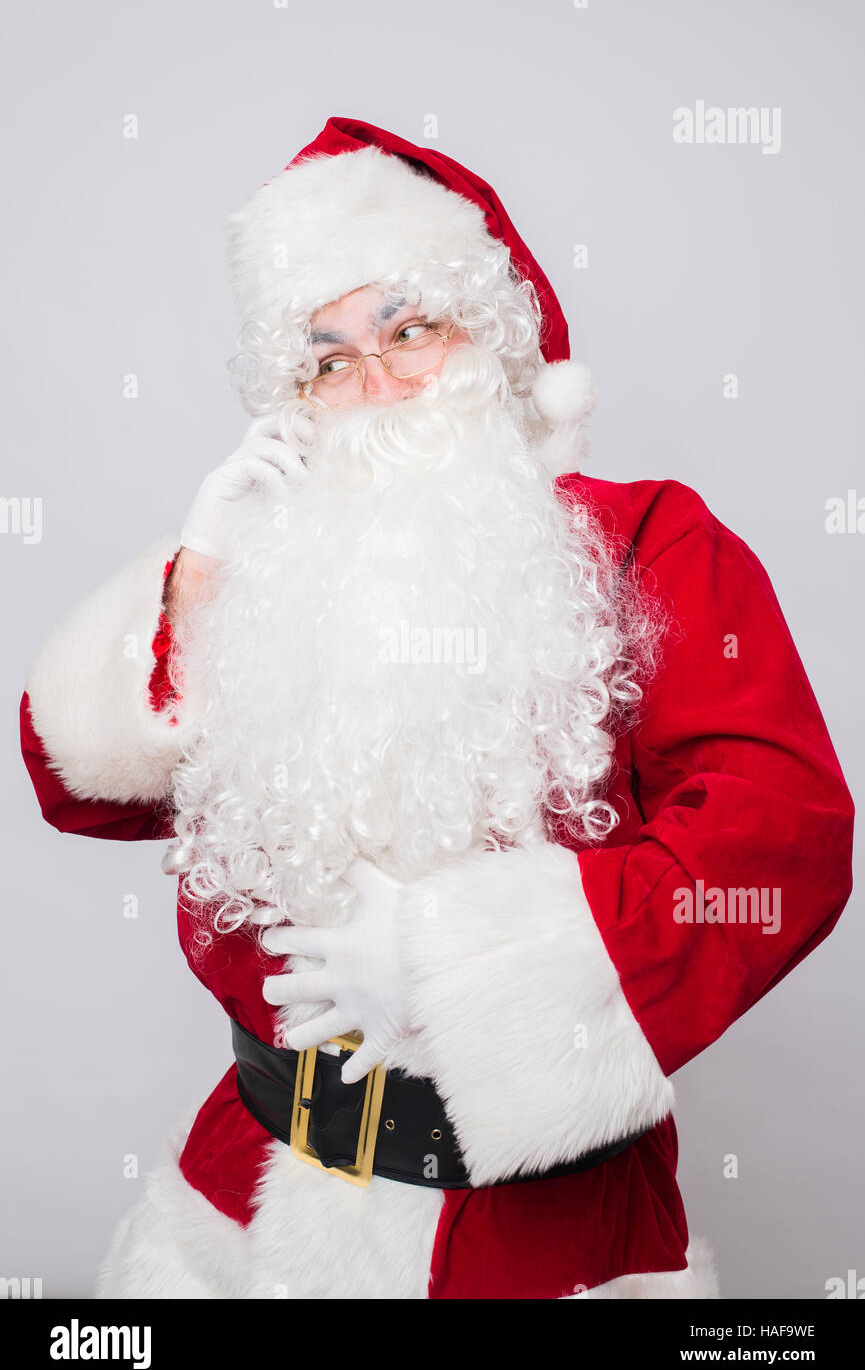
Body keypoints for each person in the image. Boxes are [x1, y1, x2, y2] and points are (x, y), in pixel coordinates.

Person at [19, 116, 854, 1300]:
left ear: (491, 345)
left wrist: (461, 967)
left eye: (410, 328)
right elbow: (73, 792)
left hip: (527, 1243)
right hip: (242, 1201)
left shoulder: (644, 540)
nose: (374, 381)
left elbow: (786, 838)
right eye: (328, 357)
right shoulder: (270, 563)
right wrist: (197, 586)